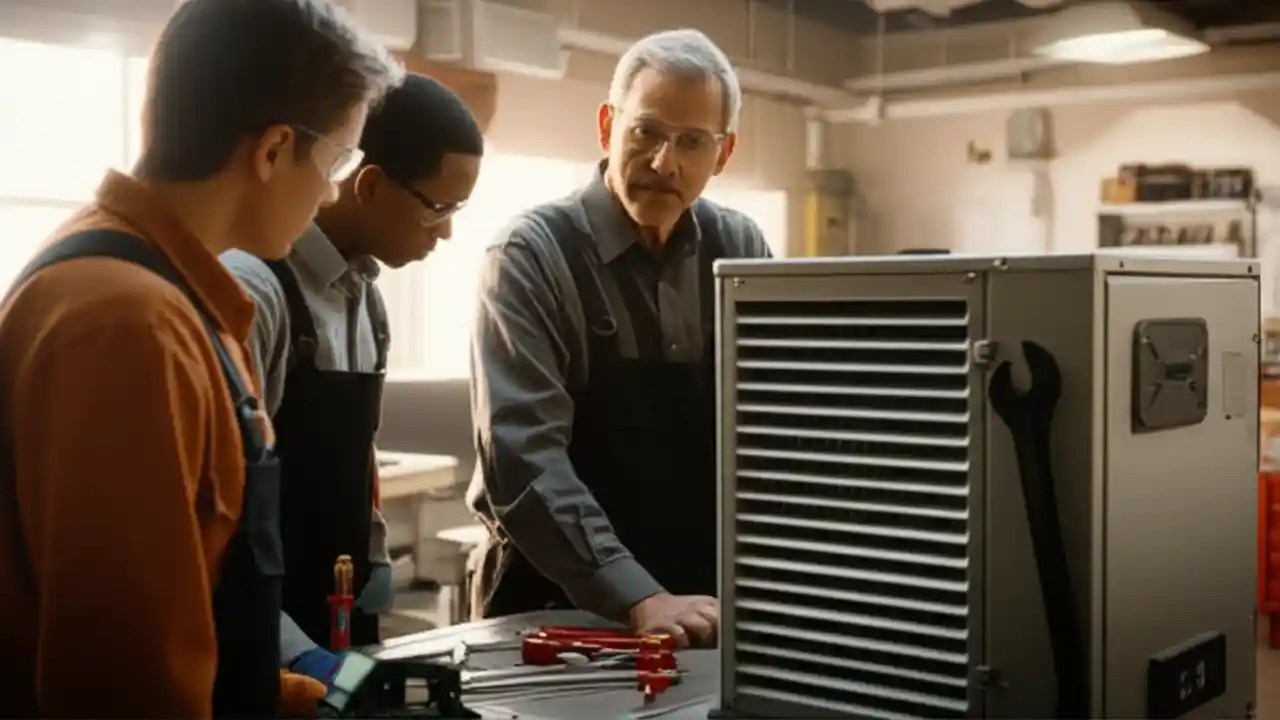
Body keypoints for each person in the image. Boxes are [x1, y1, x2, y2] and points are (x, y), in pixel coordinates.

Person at [0, 0, 400, 717]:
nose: (333, 191)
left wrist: (315, 699)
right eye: (338, 159)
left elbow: (199, 622)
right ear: (274, 149)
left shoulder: (181, 301)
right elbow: (127, 675)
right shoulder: (127, 323)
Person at [468, 28, 773, 647]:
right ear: (607, 127)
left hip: (701, 604)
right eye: (647, 132)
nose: (665, 163)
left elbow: (774, 426)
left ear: (724, 152)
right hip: (555, 607)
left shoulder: (741, 251)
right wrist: (638, 595)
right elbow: (523, 460)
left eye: (692, 142)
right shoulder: (531, 255)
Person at [220, 72, 484, 683]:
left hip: (338, 619)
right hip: (262, 645)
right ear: (367, 184)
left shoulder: (367, 299)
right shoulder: (255, 291)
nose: (446, 232)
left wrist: (373, 570)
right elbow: (222, 521)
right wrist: (288, 652)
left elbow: (356, 458)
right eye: (438, 209)